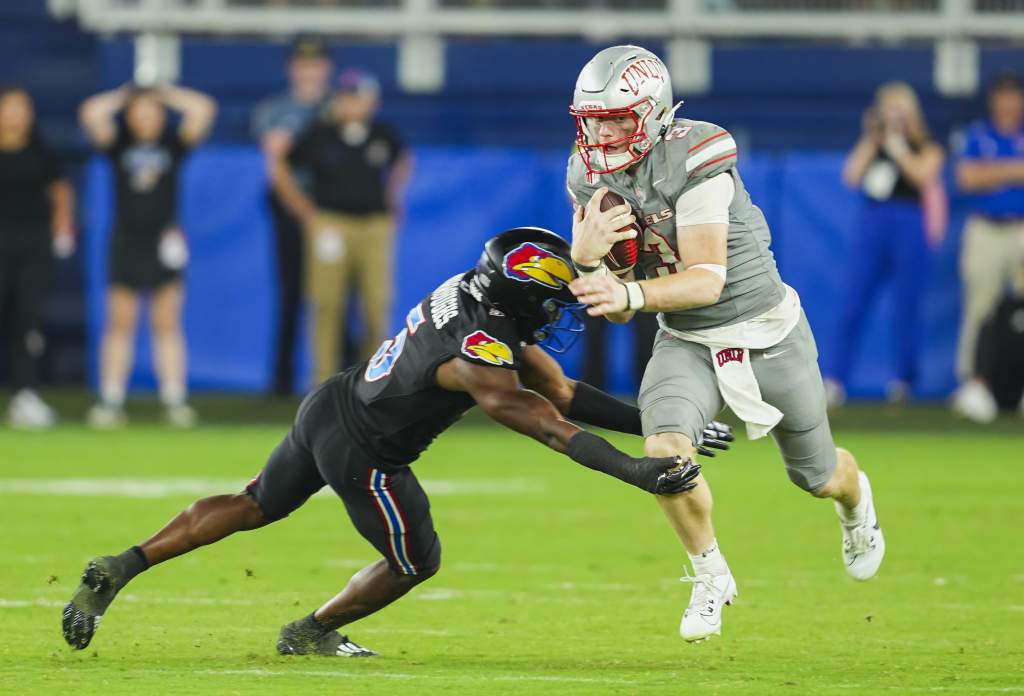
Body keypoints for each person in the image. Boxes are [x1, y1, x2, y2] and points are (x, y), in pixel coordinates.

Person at [61, 227, 733, 655]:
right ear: (517, 297)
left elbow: (560, 393)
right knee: (417, 561)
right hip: (368, 453)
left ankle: (121, 565)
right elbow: (547, 424)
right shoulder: (481, 349)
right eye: (549, 303)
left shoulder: (475, 296)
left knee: (254, 503)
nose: (556, 316)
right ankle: (309, 633)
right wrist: (638, 473)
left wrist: (663, 425)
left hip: (333, 402)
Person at [566, 46, 885, 643]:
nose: (601, 132)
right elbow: (616, 303)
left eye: (615, 117)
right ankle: (710, 575)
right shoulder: (586, 175)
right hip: (686, 341)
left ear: (654, 113)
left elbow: (707, 279)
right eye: (592, 119)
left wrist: (628, 297)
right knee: (663, 451)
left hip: (767, 332)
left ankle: (855, 497)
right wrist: (586, 264)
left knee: (816, 476)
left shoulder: (697, 153)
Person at [79, 84, 216, 427]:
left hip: (163, 241)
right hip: (126, 240)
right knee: (120, 323)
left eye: (152, 112)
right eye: (139, 112)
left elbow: (204, 108)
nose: (146, 118)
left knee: (167, 322)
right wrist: (126, 94)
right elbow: (90, 112)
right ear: (129, 116)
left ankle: (174, 400)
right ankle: (111, 401)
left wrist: (163, 92)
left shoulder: (173, 146)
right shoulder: (118, 146)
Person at [274, 68, 412, 387]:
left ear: (371, 102)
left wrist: (392, 195)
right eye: (347, 97)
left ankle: (374, 381)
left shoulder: (382, 133)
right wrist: (306, 213)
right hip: (331, 223)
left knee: (376, 303)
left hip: (374, 224)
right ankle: (322, 383)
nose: (352, 105)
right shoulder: (320, 134)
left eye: (359, 98)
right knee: (326, 304)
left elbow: (404, 160)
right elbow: (282, 165)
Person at [823, 82, 945, 407]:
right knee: (853, 301)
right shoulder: (874, 145)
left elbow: (923, 176)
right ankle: (835, 378)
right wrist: (872, 136)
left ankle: (905, 381)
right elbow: (851, 176)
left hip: (908, 223)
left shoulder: (928, 146)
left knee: (908, 306)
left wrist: (899, 144)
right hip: (873, 222)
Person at [252, 37, 333, 396]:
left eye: (315, 65)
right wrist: (303, 211)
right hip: (292, 209)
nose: (309, 72)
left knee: (335, 294)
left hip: (334, 209)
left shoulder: (338, 106)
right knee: (292, 291)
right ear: (291, 69)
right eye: (303, 64)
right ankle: (282, 379)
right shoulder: (274, 110)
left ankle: (346, 376)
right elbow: (275, 166)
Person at [0, 86, 75, 428]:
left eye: (22, 108)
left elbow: (61, 191)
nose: (16, 114)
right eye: (10, 107)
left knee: (27, 322)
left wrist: (62, 227)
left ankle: (25, 395)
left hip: (32, 246)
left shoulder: (41, 152)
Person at [951, 72, 1024, 423]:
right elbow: (967, 177)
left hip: (1021, 226)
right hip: (987, 227)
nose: (1009, 103)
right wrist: (1013, 170)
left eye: (1015, 96)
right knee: (981, 305)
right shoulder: (979, 135)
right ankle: (974, 383)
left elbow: (983, 175)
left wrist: (993, 173)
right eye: (1003, 95)